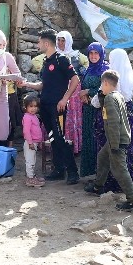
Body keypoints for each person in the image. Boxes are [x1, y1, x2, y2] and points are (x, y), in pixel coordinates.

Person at [84, 70, 133, 211]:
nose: (100, 88)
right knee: (102, 158)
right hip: (116, 138)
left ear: (106, 83)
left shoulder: (110, 98)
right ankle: (98, 186)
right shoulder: (116, 95)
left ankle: (132, 200)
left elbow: (114, 121)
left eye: (101, 85)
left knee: (120, 169)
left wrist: (114, 145)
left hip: (116, 140)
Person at [95, 49, 133, 198]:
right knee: (107, 156)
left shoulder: (109, 81)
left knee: (117, 160)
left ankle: (130, 196)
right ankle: (99, 186)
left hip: (114, 128)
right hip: (129, 116)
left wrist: (115, 143)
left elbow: (111, 118)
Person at [33, 30, 79, 184]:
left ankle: (72, 172)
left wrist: (64, 99)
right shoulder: (46, 62)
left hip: (57, 108)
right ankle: (58, 170)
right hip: (45, 106)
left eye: (39, 42)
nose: (38, 45)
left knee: (60, 138)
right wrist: (26, 83)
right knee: (52, 137)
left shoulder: (61, 60)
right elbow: (42, 85)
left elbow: (75, 79)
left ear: (46, 43)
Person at [70, 44, 109, 180]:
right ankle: (90, 173)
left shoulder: (106, 70)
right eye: (91, 53)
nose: (93, 56)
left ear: (101, 54)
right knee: (89, 139)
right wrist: (84, 96)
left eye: (96, 53)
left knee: (99, 140)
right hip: (87, 110)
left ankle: (101, 175)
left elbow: (106, 88)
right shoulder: (88, 70)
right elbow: (83, 86)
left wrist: (88, 92)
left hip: (100, 111)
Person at [21, 94, 46, 188]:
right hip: (29, 143)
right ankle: (30, 179)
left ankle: (32, 176)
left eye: (35, 106)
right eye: (31, 106)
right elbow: (26, 131)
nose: (33, 108)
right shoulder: (27, 117)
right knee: (30, 161)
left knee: (33, 160)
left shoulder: (34, 116)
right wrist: (30, 142)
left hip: (34, 142)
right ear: (25, 107)